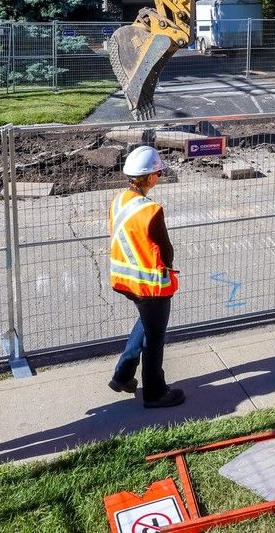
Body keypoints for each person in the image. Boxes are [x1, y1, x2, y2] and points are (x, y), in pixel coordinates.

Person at [108, 146, 185, 409]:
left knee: (145, 324)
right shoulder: (152, 210)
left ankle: (123, 375)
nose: (159, 176)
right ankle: (155, 393)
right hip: (150, 284)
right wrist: (167, 265)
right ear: (151, 177)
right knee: (154, 339)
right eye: (158, 172)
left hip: (126, 280)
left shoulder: (119, 201)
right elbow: (165, 249)